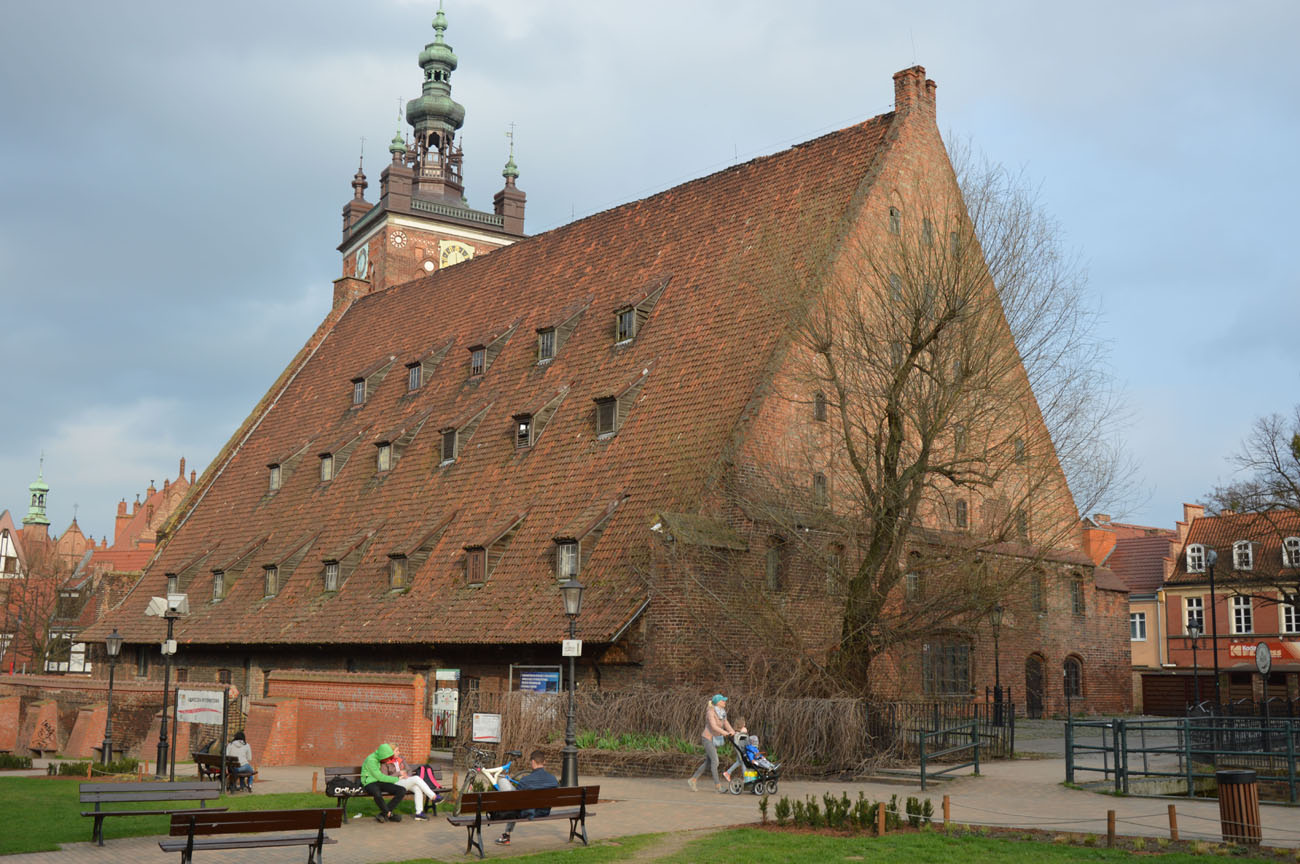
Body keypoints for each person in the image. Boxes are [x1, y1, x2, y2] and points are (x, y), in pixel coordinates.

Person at [494, 749, 558, 846]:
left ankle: (506, 836)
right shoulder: (553, 779)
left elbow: (516, 801)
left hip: (527, 812)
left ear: (533, 762)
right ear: (544, 762)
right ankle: (506, 835)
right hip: (544, 812)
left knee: (502, 781)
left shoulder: (525, 780)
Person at [687, 694, 735, 793]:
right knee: (715, 761)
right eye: (723, 701)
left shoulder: (722, 712)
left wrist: (732, 731)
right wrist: (725, 733)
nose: (725, 702)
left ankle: (693, 779)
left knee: (708, 762)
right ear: (717, 702)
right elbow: (713, 726)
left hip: (715, 739)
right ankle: (718, 787)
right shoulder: (710, 712)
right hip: (707, 738)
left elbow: (725, 723)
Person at [382, 747, 442, 820]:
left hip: (404, 781)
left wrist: (408, 776)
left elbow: (409, 769)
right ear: (391, 752)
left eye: (398, 750)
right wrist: (398, 773)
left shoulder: (401, 759)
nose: (399, 752)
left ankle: (419, 813)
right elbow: (385, 778)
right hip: (395, 783)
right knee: (416, 778)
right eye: (397, 751)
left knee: (417, 788)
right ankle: (433, 797)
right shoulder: (385, 762)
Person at [361, 743, 407, 822]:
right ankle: (389, 814)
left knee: (401, 790)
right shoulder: (371, 760)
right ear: (383, 755)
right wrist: (397, 779)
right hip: (368, 782)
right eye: (387, 758)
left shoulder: (380, 758)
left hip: (378, 781)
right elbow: (380, 777)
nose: (388, 760)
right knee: (377, 793)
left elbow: (380, 778)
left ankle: (383, 814)